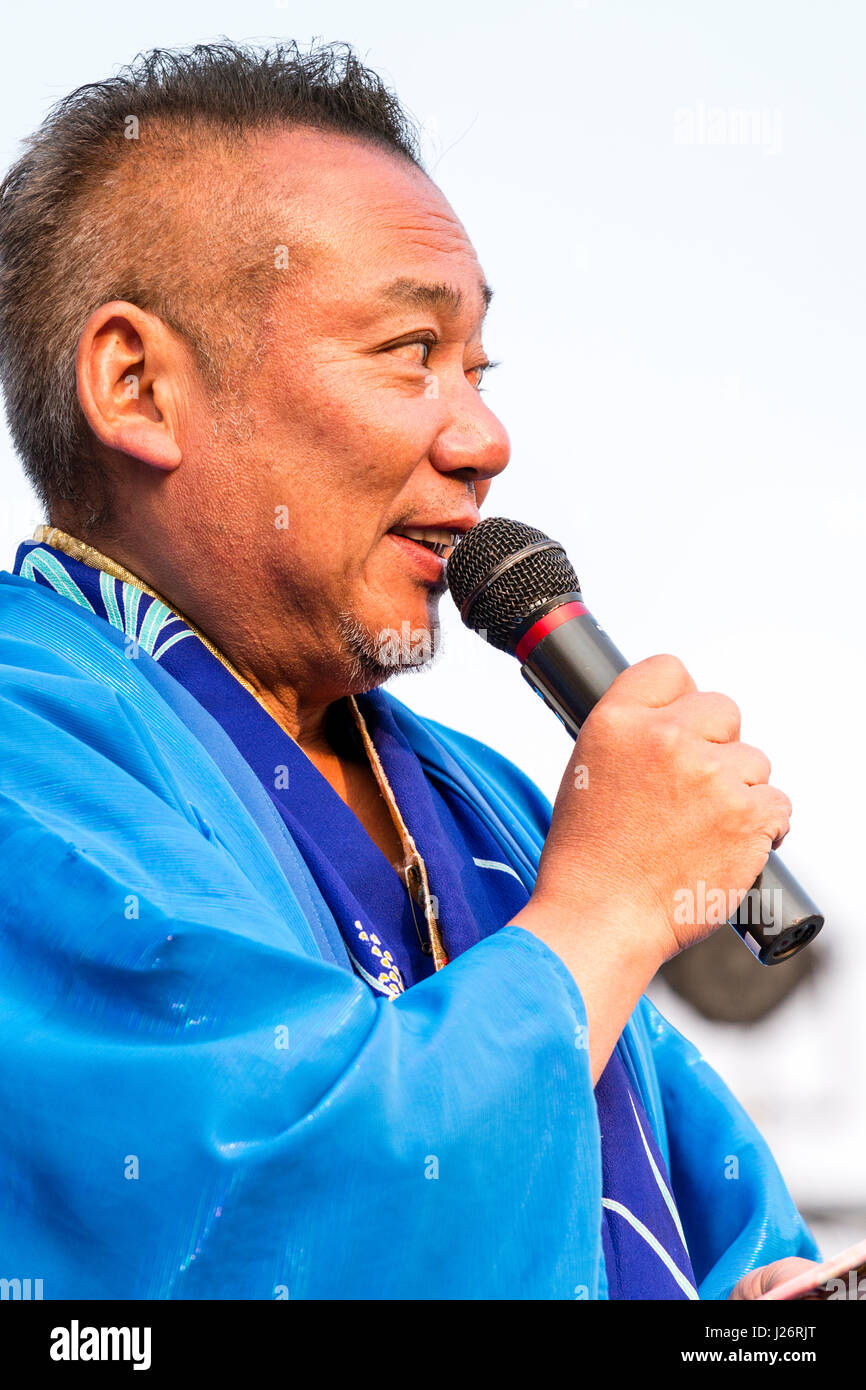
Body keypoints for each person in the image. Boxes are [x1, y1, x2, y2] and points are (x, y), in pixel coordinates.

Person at [0, 39, 820, 1300]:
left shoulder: (488, 810)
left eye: (478, 369)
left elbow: (716, 1229)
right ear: (137, 386)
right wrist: (599, 916)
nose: (484, 439)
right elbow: (250, 1227)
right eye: (408, 352)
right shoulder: (28, 744)